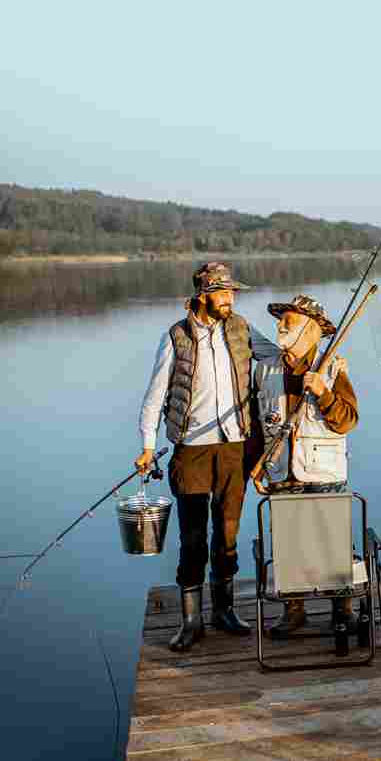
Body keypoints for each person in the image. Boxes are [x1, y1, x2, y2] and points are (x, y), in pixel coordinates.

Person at [136, 262, 280, 652]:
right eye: (223, 293)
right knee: (193, 538)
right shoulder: (177, 337)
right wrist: (148, 446)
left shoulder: (241, 328)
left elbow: (275, 358)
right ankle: (190, 621)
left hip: (234, 447)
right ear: (204, 295)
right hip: (192, 452)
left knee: (228, 534)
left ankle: (224, 610)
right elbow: (154, 395)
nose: (230, 299)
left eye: (232, 293)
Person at [252, 294, 360, 638]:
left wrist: (324, 393)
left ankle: (342, 611)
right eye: (281, 320)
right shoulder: (265, 367)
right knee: (288, 544)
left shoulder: (332, 367)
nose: (282, 325)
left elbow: (348, 421)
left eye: (291, 320)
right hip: (281, 470)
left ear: (312, 330)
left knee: (333, 544)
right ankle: (294, 611)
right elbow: (258, 424)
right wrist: (255, 466)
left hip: (324, 473)